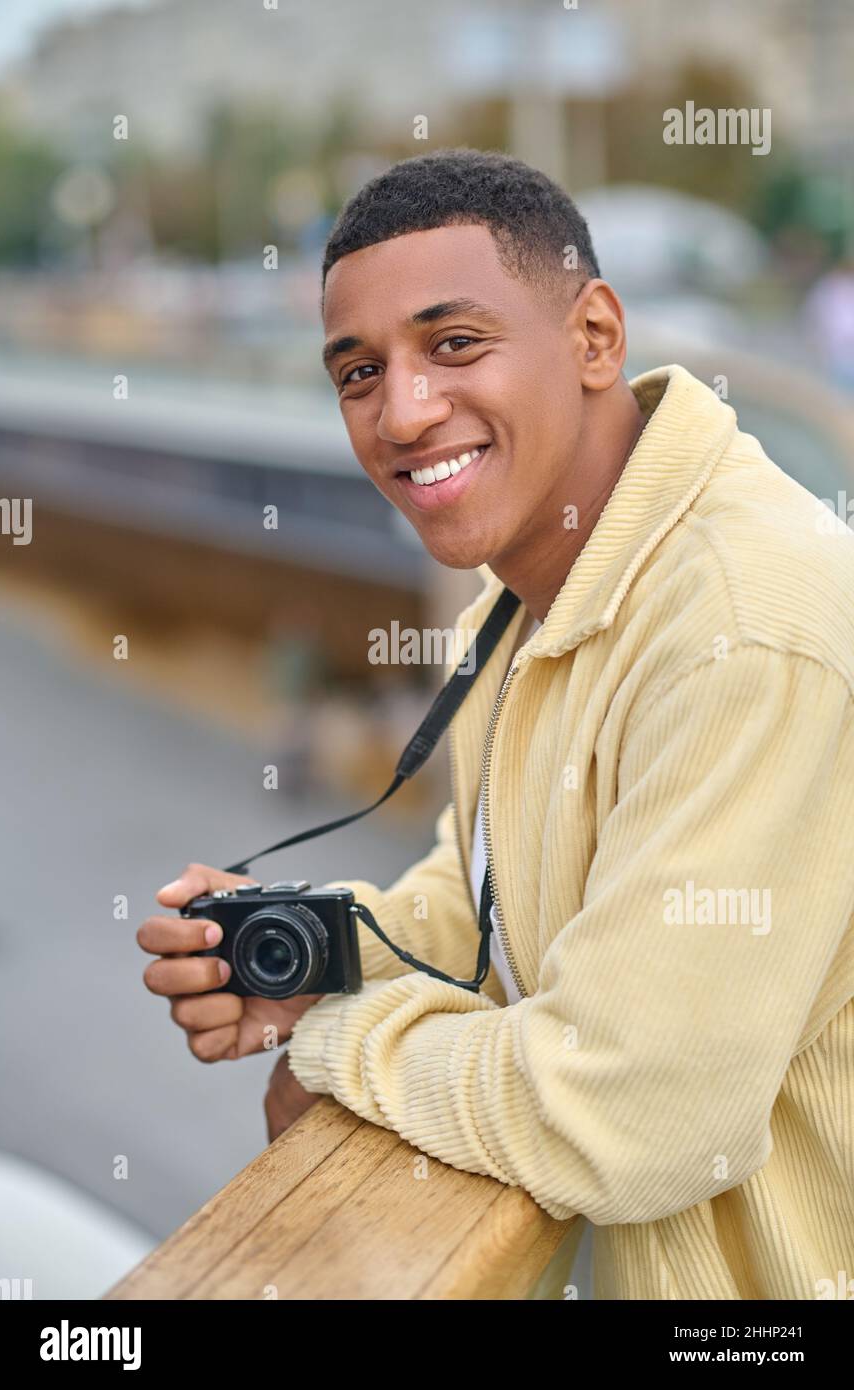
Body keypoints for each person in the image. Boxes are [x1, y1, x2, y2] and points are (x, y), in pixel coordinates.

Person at [138, 149, 854, 1301]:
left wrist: (334, 1044)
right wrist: (314, 952)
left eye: (454, 343)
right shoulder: (542, 584)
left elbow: (636, 1107)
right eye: (358, 370)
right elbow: (492, 908)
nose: (403, 411)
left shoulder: (743, 626)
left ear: (595, 339)